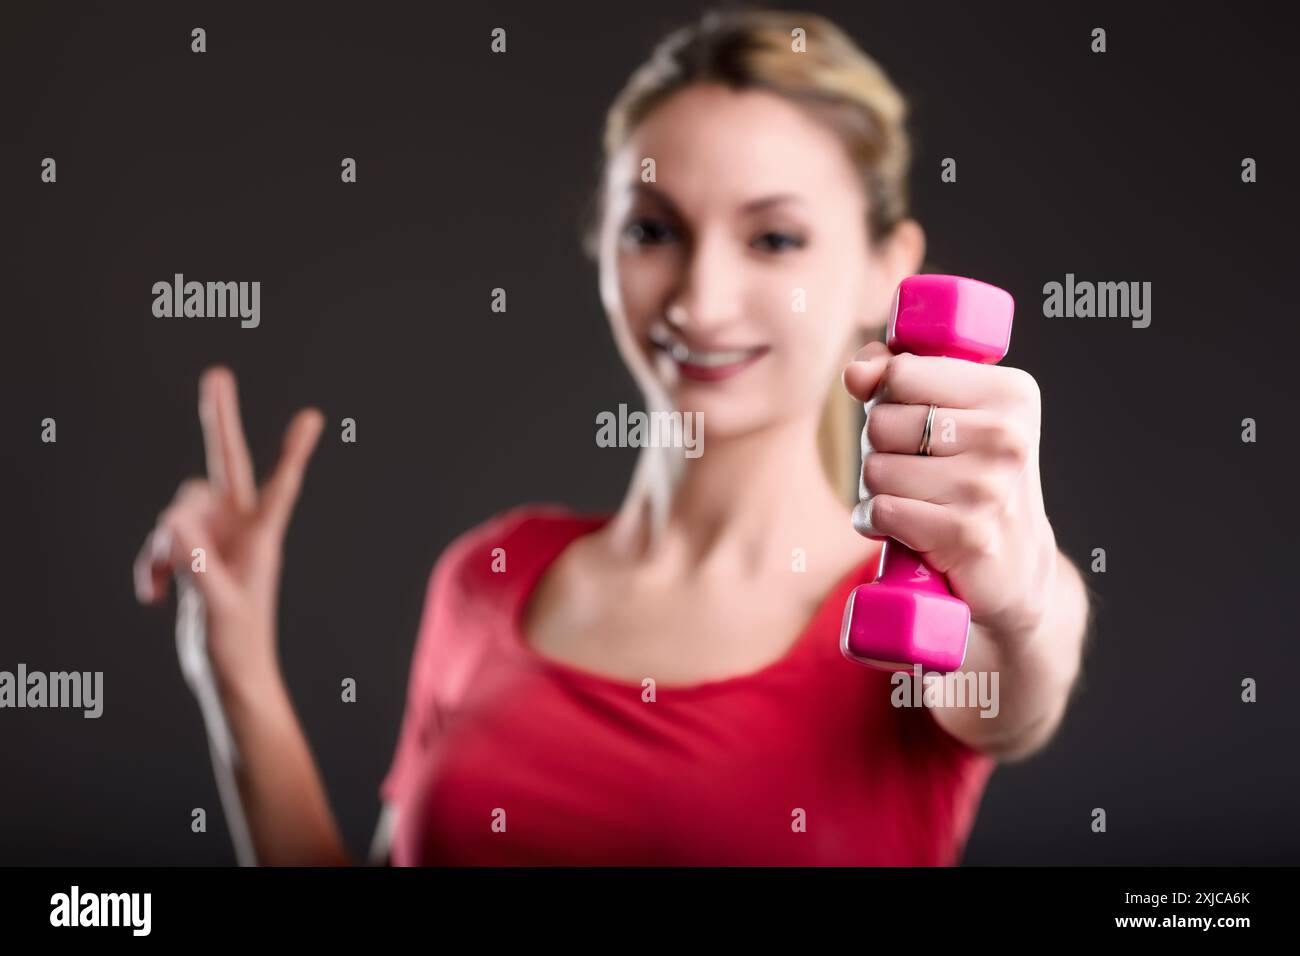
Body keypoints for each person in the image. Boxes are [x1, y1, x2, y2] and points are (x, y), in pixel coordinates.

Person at [133, 8, 1090, 866]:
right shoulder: (489, 574)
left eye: (774, 240)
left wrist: (1019, 594)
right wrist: (237, 665)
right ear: (602, 246)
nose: (701, 302)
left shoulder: (929, 613)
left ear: (889, 271)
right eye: (654, 231)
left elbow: (1024, 674)